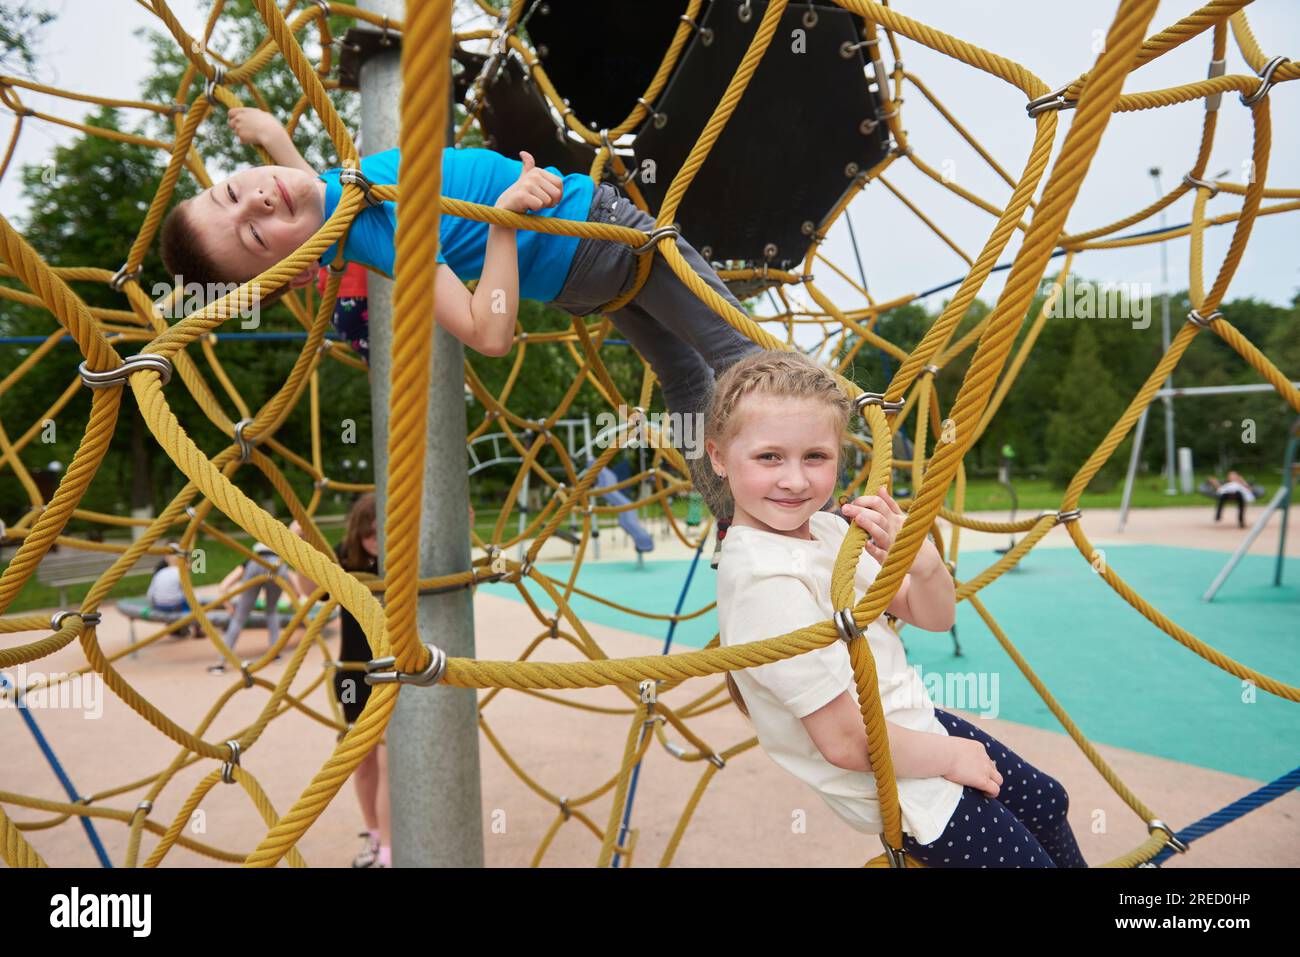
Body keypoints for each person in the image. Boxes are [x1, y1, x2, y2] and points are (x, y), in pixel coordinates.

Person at [158, 107, 760, 516]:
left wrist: (270, 132)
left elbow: (296, 194)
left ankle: (727, 510)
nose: (260, 199)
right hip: (604, 235)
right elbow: (488, 331)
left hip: (586, 280)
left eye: (231, 191)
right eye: (255, 236)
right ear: (292, 268)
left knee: (685, 379)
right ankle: (795, 495)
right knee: (743, 357)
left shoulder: (339, 206)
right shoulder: (383, 223)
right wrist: (505, 217)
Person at [705, 350, 1086, 868]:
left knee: (1048, 803)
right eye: (769, 457)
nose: (795, 480)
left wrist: (924, 565)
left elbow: (934, 616)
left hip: (916, 729)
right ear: (719, 457)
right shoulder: (762, 581)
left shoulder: (829, 529)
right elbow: (842, 742)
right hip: (898, 784)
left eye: (815, 457)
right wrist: (952, 756)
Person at [209, 538, 290, 674]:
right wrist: (298, 595)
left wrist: (228, 606)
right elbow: (291, 578)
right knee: (272, 611)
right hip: (279, 566)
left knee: (239, 618)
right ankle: (276, 654)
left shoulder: (251, 560)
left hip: (255, 565)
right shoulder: (279, 560)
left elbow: (224, 586)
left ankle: (221, 663)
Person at [146, 544, 191, 635]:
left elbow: (150, 593)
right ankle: (196, 628)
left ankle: (175, 627)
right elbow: (189, 594)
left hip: (159, 605)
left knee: (176, 598)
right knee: (188, 603)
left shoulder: (160, 572)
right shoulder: (181, 573)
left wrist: (152, 605)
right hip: (174, 606)